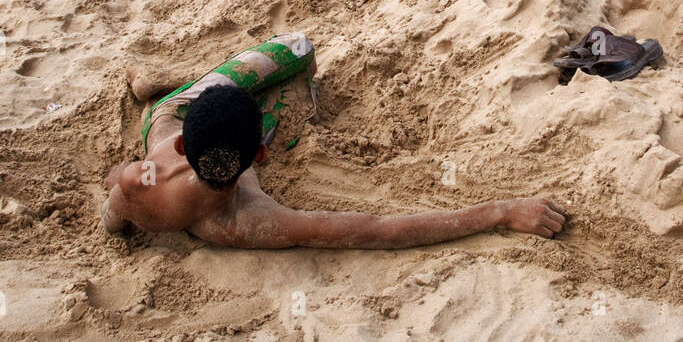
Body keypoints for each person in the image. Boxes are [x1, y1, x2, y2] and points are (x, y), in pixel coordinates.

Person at [102, 34, 568, 248]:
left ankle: (159, 88)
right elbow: (379, 230)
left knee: (177, 109)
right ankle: (174, 84)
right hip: (192, 133)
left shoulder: (136, 180)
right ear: (259, 155)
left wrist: (121, 222)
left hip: (166, 121)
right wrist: (500, 211)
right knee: (300, 50)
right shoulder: (243, 222)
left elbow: (113, 214)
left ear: (184, 147)